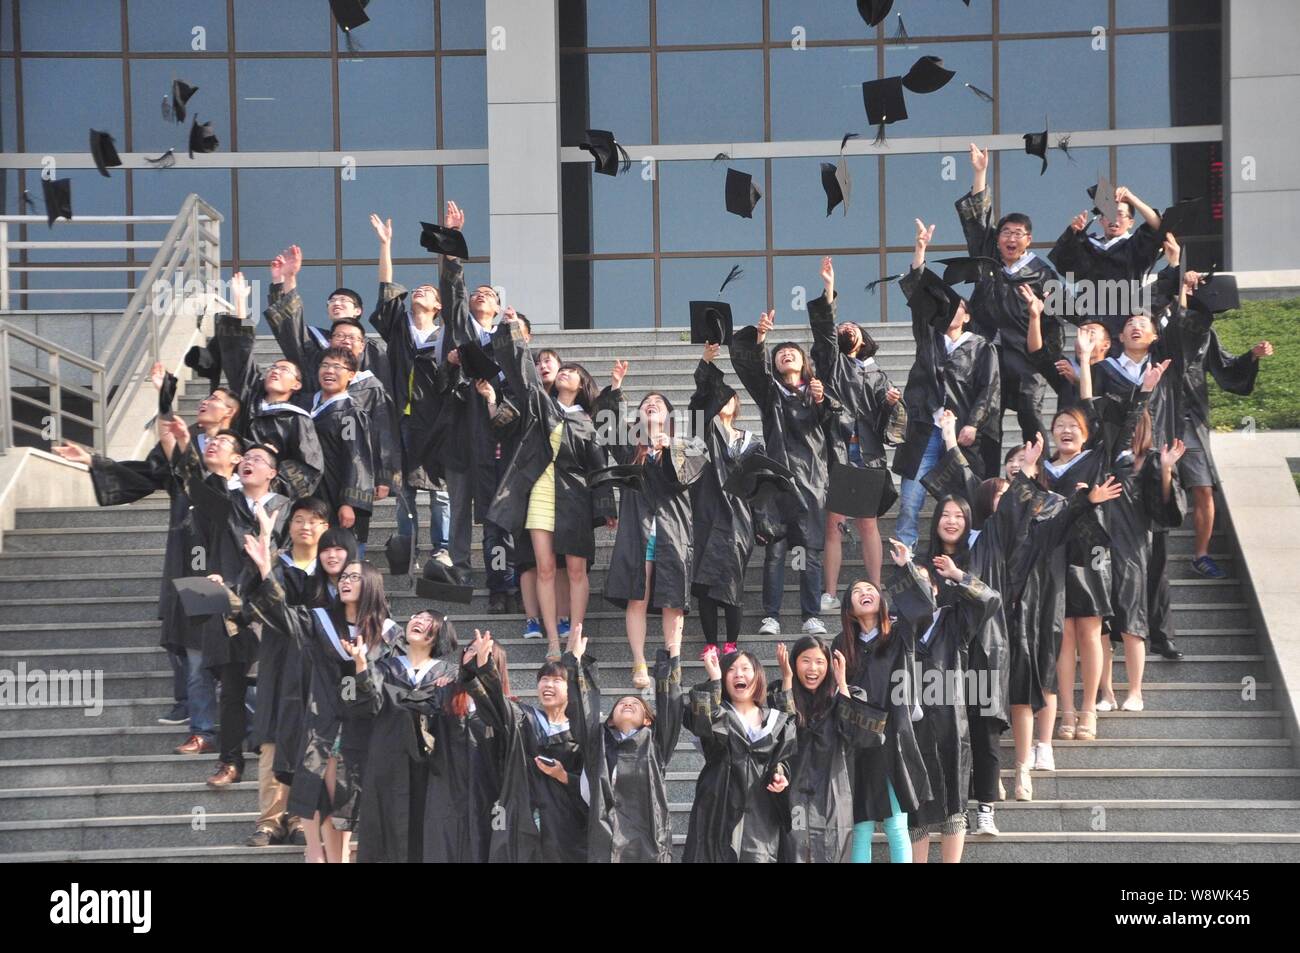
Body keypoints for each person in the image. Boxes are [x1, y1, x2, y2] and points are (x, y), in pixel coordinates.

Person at [51, 369, 238, 751]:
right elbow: (152, 471)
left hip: (224, 558)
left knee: (224, 647)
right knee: (185, 635)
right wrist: (93, 461)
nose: (206, 402)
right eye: (205, 398)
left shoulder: (237, 455)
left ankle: (233, 722)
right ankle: (196, 716)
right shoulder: (188, 454)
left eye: (216, 400)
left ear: (231, 414)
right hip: (185, 549)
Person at [241, 519, 401, 863]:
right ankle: (317, 856)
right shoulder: (318, 620)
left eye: (354, 577)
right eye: (344, 577)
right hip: (324, 720)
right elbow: (279, 615)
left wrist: (361, 665)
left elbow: (387, 691)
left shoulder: (388, 634)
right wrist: (265, 571)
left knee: (345, 799)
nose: (345, 581)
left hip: (366, 727)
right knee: (319, 792)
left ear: (371, 585)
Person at [168, 421, 292, 787]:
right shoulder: (226, 504)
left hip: (274, 604)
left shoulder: (287, 509)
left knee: (277, 685)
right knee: (234, 686)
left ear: (272, 473)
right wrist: (181, 442)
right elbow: (193, 484)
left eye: (258, 458)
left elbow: (298, 555)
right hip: (231, 605)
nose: (248, 462)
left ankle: (280, 766)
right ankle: (230, 761)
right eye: (245, 458)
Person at [488, 310, 614, 661]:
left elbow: (598, 467)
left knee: (575, 569)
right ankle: (553, 642)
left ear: (582, 383)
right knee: (544, 567)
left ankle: (575, 635)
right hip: (539, 492)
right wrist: (512, 329)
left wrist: (605, 508)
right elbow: (524, 373)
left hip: (575, 495)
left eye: (572, 371)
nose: (564, 373)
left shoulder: (588, 421)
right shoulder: (540, 404)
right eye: (563, 369)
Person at [431, 200, 518, 612]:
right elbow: (453, 291)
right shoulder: (463, 328)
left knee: (494, 511)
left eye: (490, 295)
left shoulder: (505, 337)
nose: (482, 295)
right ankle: (462, 565)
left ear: (499, 310)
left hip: (496, 429)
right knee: (460, 497)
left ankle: (500, 575)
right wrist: (451, 246)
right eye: (478, 294)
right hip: (462, 425)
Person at [730, 309, 838, 637]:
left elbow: (838, 424)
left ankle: (810, 614)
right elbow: (753, 371)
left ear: (804, 362)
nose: (785, 354)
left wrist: (822, 401)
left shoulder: (818, 392)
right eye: (779, 354)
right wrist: (761, 339)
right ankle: (772, 615)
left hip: (811, 482)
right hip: (777, 482)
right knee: (775, 552)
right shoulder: (771, 394)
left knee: (809, 552)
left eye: (792, 352)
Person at [265, 245, 399, 507]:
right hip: (313, 459)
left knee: (347, 536)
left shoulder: (375, 365)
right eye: (338, 337)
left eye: (351, 338)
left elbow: (384, 427)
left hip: (356, 461)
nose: (344, 342)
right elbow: (290, 330)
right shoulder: (315, 356)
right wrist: (287, 281)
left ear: (361, 343)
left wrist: (385, 475)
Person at [895, 220, 999, 549]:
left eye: (959, 307)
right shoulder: (929, 338)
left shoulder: (982, 347)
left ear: (967, 315)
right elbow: (917, 292)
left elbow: (990, 390)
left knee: (961, 505)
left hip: (961, 436)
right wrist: (920, 250)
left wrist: (973, 424)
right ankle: (906, 560)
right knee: (910, 500)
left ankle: (968, 558)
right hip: (926, 428)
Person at [598, 372, 706, 688]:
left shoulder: (689, 445)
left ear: (670, 416)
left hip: (673, 533)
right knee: (637, 595)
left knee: (673, 598)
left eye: (658, 403)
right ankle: (639, 662)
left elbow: (682, 479)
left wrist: (670, 448)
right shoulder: (631, 449)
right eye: (646, 403)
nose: (651, 406)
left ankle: (674, 662)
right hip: (639, 531)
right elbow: (607, 429)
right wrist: (615, 392)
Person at [957, 143, 1059, 475]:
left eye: (1017, 234)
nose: (1010, 238)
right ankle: (986, 484)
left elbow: (1057, 318)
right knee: (988, 419)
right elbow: (978, 220)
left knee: (1031, 411)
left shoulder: (1042, 273)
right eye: (1005, 233)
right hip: (987, 353)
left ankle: (1040, 475)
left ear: (1029, 239)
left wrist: (1050, 357)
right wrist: (980, 172)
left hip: (1024, 357)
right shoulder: (988, 260)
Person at [242, 496, 332, 848]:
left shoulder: (332, 571)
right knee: (271, 740)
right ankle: (268, 822)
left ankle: (299, 817)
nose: (305, 525)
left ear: (325, 528)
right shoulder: (274, 563)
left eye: (314, 520)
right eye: (298, 519)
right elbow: (249, 603)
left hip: (316, 668)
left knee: (308, 739)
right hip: (278, 663)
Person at [809, 255, 902, 592]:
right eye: (842, 326)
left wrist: (891, 404)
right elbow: (823, 335)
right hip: (837, 449)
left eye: (854, 327)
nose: (847, 327)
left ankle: (875, 586)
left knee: (868, 524)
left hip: (867, 453)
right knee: (834, 523)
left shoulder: (877, 374)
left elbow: (889, 422)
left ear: (863, 341)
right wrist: (830, 289)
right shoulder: (832, 363)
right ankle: (831, 593)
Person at [833, 552, 931, 864]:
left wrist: (908, 567)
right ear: (848, 609)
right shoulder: (840, 644)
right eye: (857, 591)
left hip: (893, 738)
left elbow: (926, 605)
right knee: (860, 824)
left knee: (895, 823)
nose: (864, 593)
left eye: (870, 589)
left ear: (882, 601)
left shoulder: (900, 633)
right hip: (858, 741)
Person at [367, 213, 451, 566]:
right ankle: (407, 549)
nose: (420, 291)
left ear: (439, 306)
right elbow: (387, 291)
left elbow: (453, 284)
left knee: (440, 490)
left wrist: (449, 244)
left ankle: (442, 549)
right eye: (417, 289)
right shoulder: (399, 328)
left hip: (439, 419)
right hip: (404, 416)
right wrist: (386, 246)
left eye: (428, 291)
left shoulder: (447, 335)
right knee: (405, 488)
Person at [461, 628, 588, 863]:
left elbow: (593, 781)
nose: (548, 685)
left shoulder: (582, 731)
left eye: (557, 680)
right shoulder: (523, 717)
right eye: (544, 680)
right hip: (524, 813)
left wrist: (563, 776)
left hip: (566, 820)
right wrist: (484, 667)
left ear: (570, 689)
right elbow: (496, 702)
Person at [906, 554, 1001, 864]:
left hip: (950, 724)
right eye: (912, 583)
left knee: (953, 804)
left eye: (923, 580)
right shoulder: (898, 629)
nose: (918, 587)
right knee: (916, 810)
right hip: (912, 728)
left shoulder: (952, 620)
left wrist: (958, 575)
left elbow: (990, 600)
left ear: (935, 589)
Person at [344, 607, 460, 863]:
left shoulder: (449, 673)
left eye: (428, 620)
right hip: (387, 759)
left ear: (438, 634)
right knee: (383, 830)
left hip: (431, 766)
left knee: (426, 830)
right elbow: (365, 706)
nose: (417, 620)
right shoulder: (385, 667)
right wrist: (361, 664)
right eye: (416, 616)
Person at [1103, 388, 1187, 714]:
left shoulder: (1153, 460)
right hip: (1102, 545)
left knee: (1132, 621)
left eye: (1137, 424)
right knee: (1102, 625)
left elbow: (1163, 510)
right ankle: (1106, 691)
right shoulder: (1110, 459)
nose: (1131, 430)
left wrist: (1166, 470)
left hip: (1134, 546)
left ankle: (1135, 691)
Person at [569, 631, 685, 863]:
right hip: (607, 835)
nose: (628, 703)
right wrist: (577, 665)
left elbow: (671, 707)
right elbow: (583, 712)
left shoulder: (656, 744)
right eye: (622, 703)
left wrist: (672, 659)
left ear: (647, 720)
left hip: (650, 837)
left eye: (635, 703)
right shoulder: (598, 742)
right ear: (610, 719)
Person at [771, 637, 888, 863]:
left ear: (830, 665)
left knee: (833, 851)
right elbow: (782, 733)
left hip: (835, 792)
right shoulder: (779, 692)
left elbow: (858, 734)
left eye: (819, 661)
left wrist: (842, 683)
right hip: (794, 790)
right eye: (805, 661)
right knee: (793, 851)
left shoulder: (847, 696)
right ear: (794, 664)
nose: (813, 668)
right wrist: (787, 680)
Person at [209, 271, 324, 499]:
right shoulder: (249, 398)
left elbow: (308, 466)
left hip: (274, 497)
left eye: (284, 370)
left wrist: (268, 477)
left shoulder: (298, 418)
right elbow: (240, 358)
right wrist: (240, 303)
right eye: (272, 368)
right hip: (233, 490)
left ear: (297, 384)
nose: (275, 371)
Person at [688, 343, 766, 657]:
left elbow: (761, 485)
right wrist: (705, 364)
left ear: (737, 404)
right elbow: (696, 410)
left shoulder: (752, 442)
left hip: (739, 518)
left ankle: (731, 641)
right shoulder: (704, 432)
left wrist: (761, 523)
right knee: (705, 584)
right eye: (719, 397)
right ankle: (710, 641)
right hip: (707, 511)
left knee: (732, 581)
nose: (724, 401)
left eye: (729, 397)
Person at [682, 648, 796, 863]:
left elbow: (783, 755)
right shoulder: (719, 713)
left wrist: (780, 774)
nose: (739, 674)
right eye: (731, 670)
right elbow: (701, 722)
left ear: (758, 675)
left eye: (745, 668)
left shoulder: (774, 719)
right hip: (719, 800)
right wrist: (714, 679)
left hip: (761, 806)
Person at [1048, 184, 1164, 339]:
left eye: (1120, 214)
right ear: (1101, 221)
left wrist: (1132, 199)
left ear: (1131, 222)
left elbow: (1158, 226)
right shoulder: (1088, 245)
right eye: (1108, 214)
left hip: (1125, 320)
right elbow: (1064, 264)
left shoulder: (1135, 245)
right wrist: (1073, 232)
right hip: (1092, 321)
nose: (1113, 219)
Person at [308, 347, 379, 546]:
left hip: (333, 491)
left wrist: (349, 503)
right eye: (325, 365)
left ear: (351, 375)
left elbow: (356, 457)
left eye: (337, 366)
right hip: (307, 491)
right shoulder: (305, 405)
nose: (329, 371)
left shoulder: (351, 413)